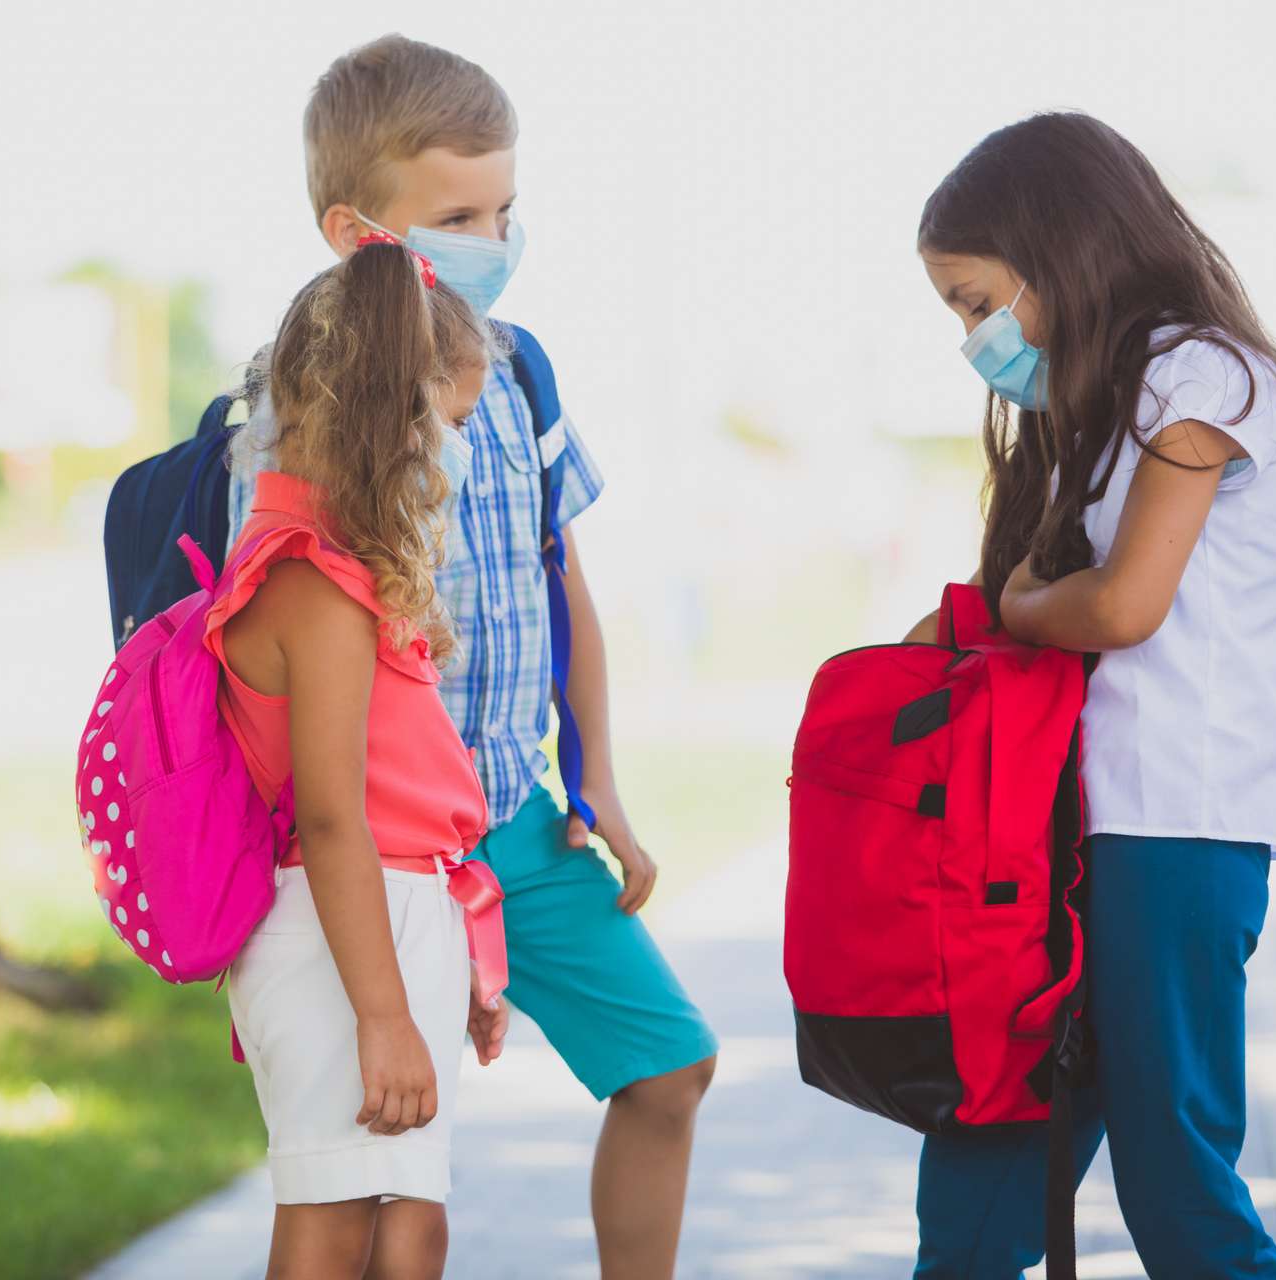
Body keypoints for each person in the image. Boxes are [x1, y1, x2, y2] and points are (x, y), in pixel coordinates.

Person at [225, 35, 719, 1278]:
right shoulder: (302, 400)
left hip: (513, 817)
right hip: (379, 845)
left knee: (670, 1064)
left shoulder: (514, 369)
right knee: (376, 1194)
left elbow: (565, 582)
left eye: (503, 209)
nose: (491, 238)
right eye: (457, 216)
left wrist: (598, 778)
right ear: (352, 228)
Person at [907, 111, 1276, 1278]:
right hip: (1073, 833)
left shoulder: (1208, 377)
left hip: (1178, 824)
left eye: (973, 299)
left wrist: (1035, 608)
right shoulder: (1094, 411)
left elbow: (1121, 605)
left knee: (1174, 1185)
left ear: (1060, 255)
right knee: (983, 1174)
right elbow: (1024, 599)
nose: (969, 335)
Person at [207, 242, 511, 1280]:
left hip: (388, 916)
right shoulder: (313, 585)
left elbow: (398, 784)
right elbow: (333, 815)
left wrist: (449, 956)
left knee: (407, 1222)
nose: (463, 451)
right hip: (341, 930)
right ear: (396, 416)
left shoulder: (339, 567)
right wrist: (384, 1012)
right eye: (458, 422)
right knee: (337, 1220)